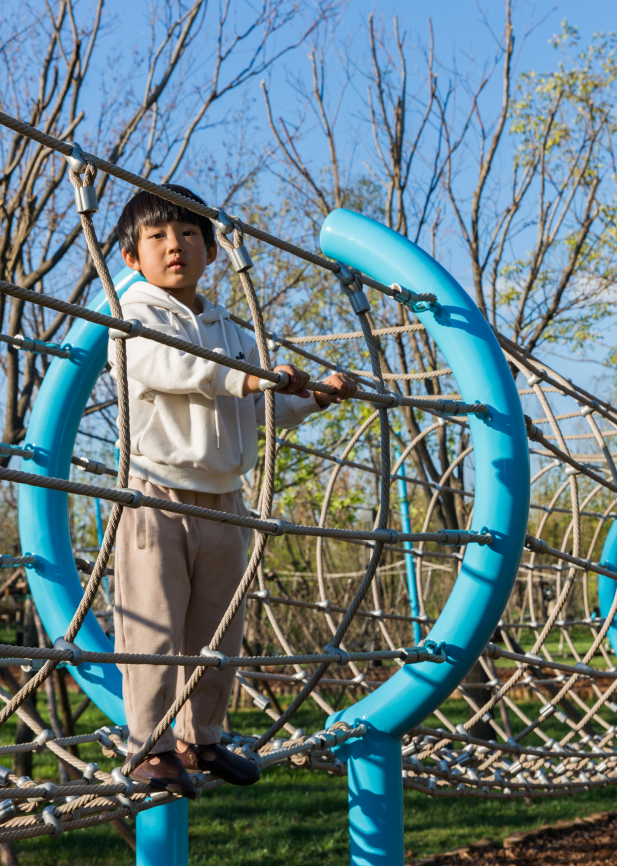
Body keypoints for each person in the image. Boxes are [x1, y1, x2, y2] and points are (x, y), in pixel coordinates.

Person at [109, 184, 357, 797]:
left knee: (220, 629)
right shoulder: (132, 315)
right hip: (155, 494)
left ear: (212, 251)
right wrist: (241, 376)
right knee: (154, 629)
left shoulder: (228, 327)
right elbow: (170, 368)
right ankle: (150, 747)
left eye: (190, 234)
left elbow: (258, 402)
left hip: (226, 498)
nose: (176, 246)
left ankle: (202, 738)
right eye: (159, 236)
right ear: (131, 256)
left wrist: (307, 396)